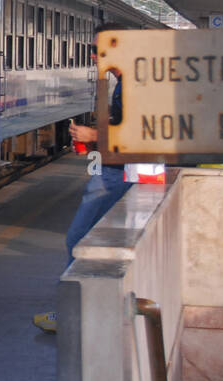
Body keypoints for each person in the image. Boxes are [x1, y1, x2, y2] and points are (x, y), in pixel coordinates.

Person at [33, 68, 163, 332]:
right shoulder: (127, 81)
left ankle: (73, 314)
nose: (94, 56)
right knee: (100, 244)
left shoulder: (133, 84)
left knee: (80, 240)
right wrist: (95, 143)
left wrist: (93, 136)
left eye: (97, 48)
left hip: (120, 172)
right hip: (123, 169)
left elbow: (139, 131)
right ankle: (90, 311)